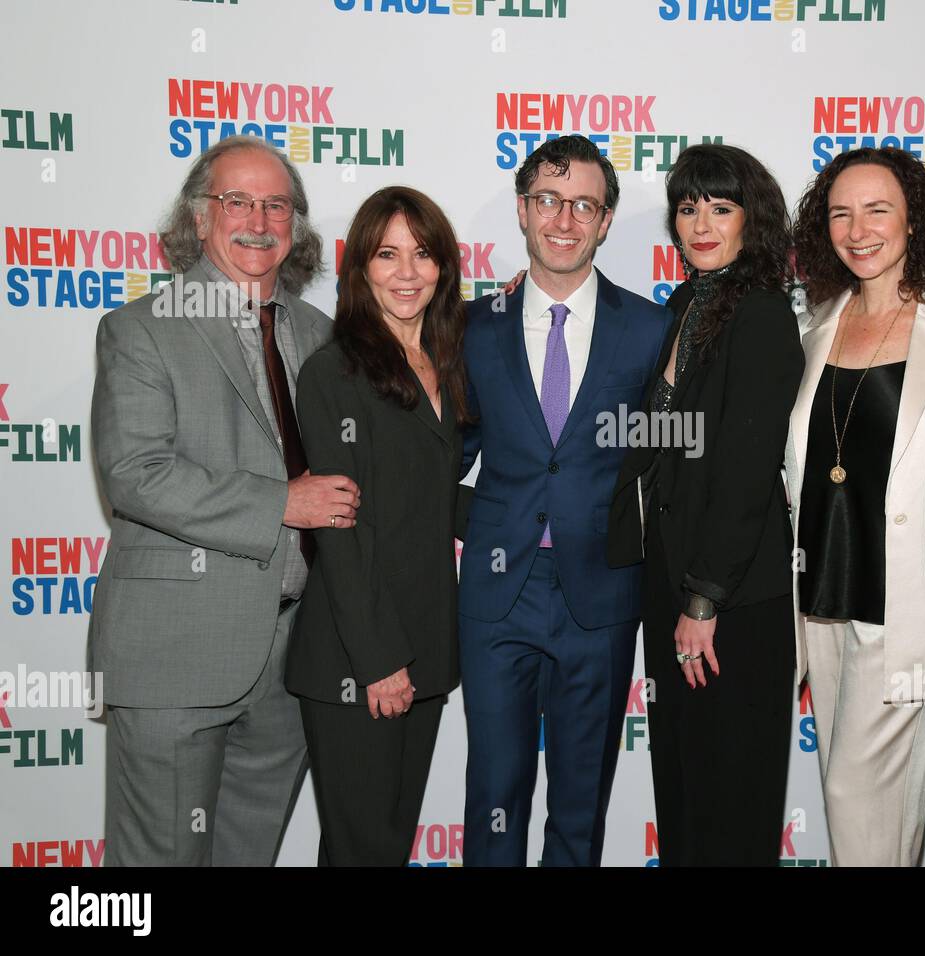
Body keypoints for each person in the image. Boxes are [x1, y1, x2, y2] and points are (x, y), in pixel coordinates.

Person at [89, 135, 356, 866]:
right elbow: (137, 474)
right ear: (199, 218)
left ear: (296, 226)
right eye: (237, 200)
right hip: (178, 650)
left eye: (277, 204)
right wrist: (282, 503)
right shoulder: (141, 330)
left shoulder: (321, 336)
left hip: (293, 658)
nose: (258, 220)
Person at [458, 135, 671, 866]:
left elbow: (671, 464)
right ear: (523, 210)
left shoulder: (650, 328)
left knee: (581, 806)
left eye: (585, 204)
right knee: (494, 795)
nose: (565, 219)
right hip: (497, 594)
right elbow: (439, 459)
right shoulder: (470, 326)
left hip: (602, 595)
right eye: (549, 199)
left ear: (606, 221)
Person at [609, 143, 804, 866]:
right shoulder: (688, 305)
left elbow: (747, 471)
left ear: (753, 220)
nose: (701, 222)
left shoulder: (760, 316)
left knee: (732, 796)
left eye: (721, 207)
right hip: (670, 579)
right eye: (688, 207)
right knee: (683, 788)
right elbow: (663, 443)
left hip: (729, 599)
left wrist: (704, 599)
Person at [786, 147, 925, 866]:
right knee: (866, 821)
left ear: (914, 220)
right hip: (821, 605)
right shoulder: (814, 326)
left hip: (908, 612)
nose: (858, 229)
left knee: (857, 800)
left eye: (878, 210)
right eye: (840, 212)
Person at [286, 187, 470, 866]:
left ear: (445, 267)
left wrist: (539, 520)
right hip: (355, 656)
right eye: (387, 254)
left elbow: (429, 498)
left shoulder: (445, 364)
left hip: (424, 646)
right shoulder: (334, 371)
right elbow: (341, 524)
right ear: (360, 267)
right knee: (363, 848)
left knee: (381, 848)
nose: (405, 271)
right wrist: (379, 660)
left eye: (422, 254)